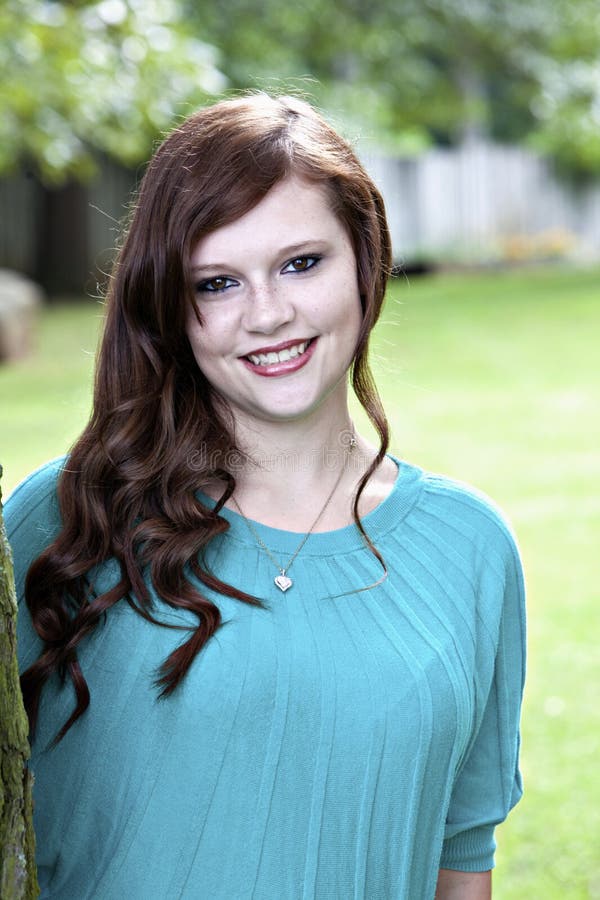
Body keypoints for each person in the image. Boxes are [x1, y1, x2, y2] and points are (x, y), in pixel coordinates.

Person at [4, 93, 526, 900]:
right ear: (171, 307)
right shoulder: (70, 517)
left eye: (301, 263)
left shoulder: (471, 546)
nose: (269, 314)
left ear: (366, 256)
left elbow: (460, 855)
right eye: (217, 282)